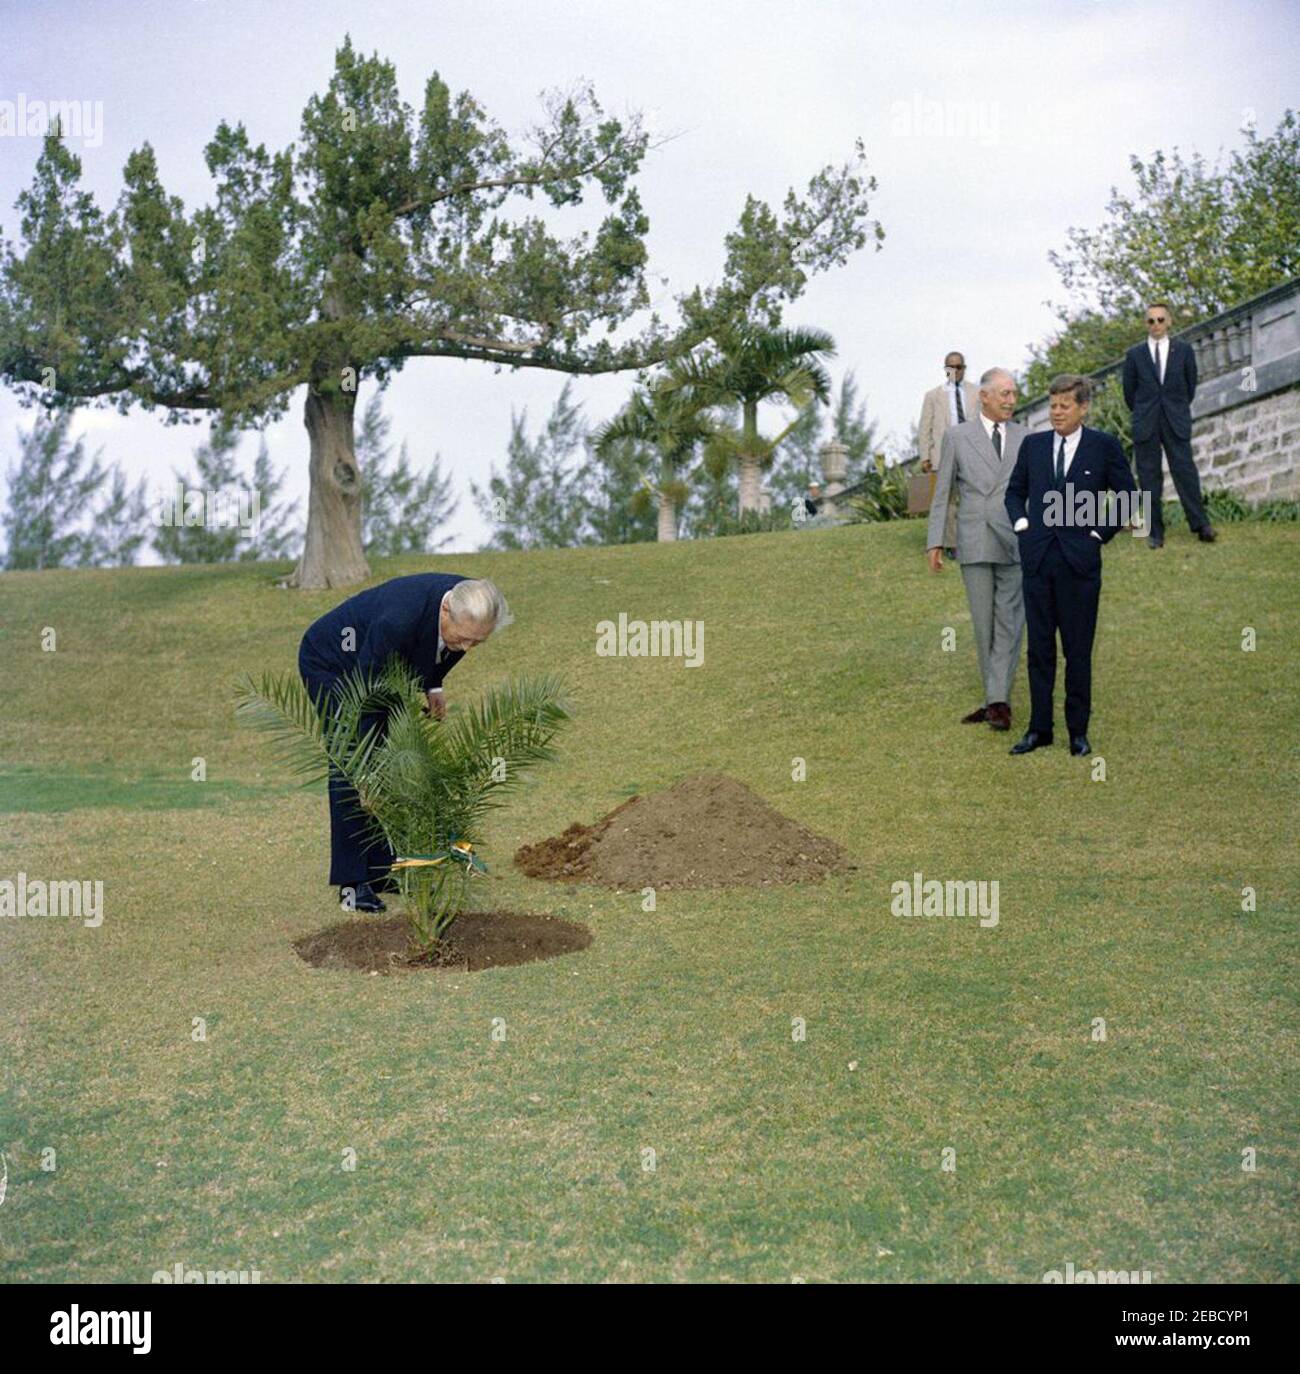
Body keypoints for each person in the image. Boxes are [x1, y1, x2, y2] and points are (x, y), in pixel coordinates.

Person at [297, 574, 510, 911]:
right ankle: (353, 884)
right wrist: (365, 763)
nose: (468, 648)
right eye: (466, 639)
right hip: (334, 663)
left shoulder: (472, 602)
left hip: (383, 665)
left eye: (477, 642)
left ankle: (382, 870)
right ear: (444, 611)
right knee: (353, 764)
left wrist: (433, 684)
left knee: (388, 759)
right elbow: (362, 695)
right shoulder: (398, 620)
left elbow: (441, 646)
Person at [1004, 375, 1135, 757]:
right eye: (1052, 405)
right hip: (1038, 562)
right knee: (1039, 650)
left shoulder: (1104, 447)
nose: (1056, 413)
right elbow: (1015, 492)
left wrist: (1099, 534)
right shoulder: (1033, 446)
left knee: (1077, 651)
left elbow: (1128, 496)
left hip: (1080, 565)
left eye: (1064, 406)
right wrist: (1023, 525)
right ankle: (1038, 729)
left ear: (1083, 407)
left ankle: (1078, 732)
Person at [926, 368, 1026, 732]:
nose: (1011, 401)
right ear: (982, 396)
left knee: (1010, 624)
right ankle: (994, 700)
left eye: (1014, 394)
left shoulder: (1026, 437)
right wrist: (935, 539)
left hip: (1016, 540)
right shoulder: (956, 436)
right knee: (985, 626)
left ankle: (997, 702)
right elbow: (943, 494)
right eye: (1004, 394)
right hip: (975, 539)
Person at [1122, 302, 1215, 548]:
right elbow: (1129, 393)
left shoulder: (1184, 351)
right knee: (1149, 477)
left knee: (1185, 473)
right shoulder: (1134, 355)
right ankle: (1155, 532)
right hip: (1146, 423)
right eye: (1151, 321)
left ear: (1169, 322)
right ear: (1146, 324)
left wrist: (1175, 409)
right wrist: (1146, 412)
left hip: (1176, 420)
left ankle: (1201, 525)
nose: (1156, 325)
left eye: (1161, 320)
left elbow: (1190, 386)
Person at [919, 351, 980, 556]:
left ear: (964, 368)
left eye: (958, 367)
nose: (955, 371)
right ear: (945, 370)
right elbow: (925, 427)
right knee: (948, 500)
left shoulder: (977, 393)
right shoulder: (933, 396)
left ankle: (973, 540)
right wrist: (925, 456)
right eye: (950, 367)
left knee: (972, 498)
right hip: (943, 453)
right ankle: (952, 545)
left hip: (971, 451)